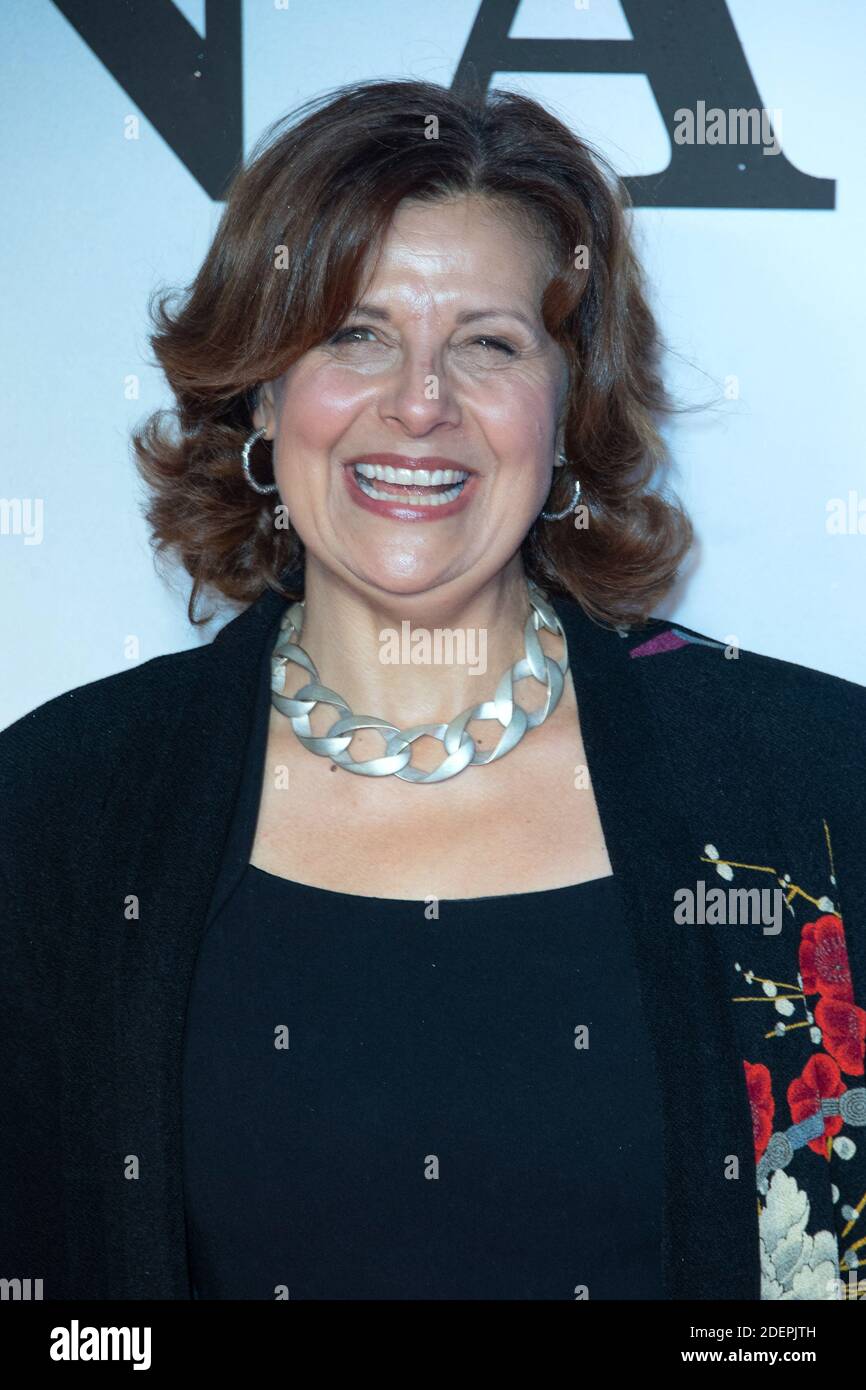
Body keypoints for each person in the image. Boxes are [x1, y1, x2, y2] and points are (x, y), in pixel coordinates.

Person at [2, 78, 865, 1303]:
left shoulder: (818, 786)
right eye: (353, 335)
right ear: (261, 391)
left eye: (487, 344)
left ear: (565, 408)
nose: (418, 403)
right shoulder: (58, 811)